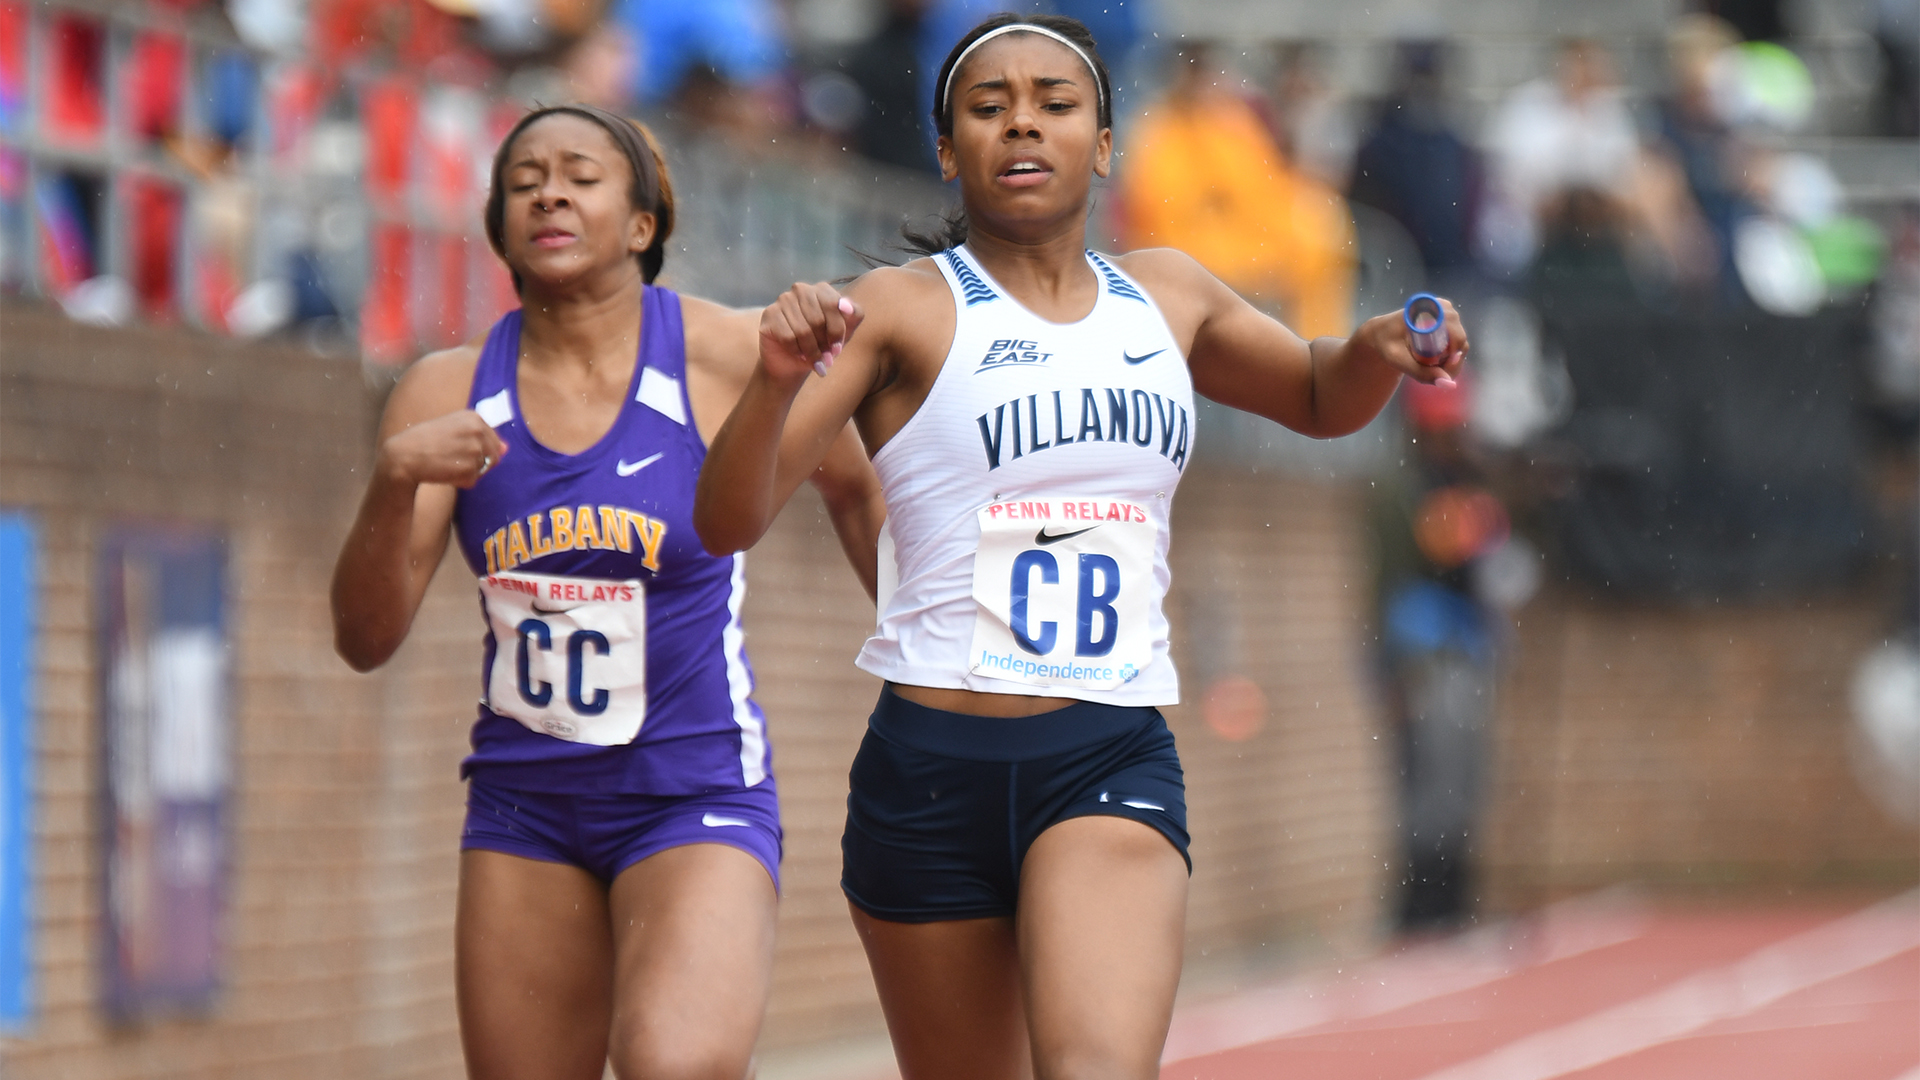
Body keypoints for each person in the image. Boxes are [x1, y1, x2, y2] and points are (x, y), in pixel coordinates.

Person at [692, 15, 1466, 1078]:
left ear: (1103, 145)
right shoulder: (896, 313)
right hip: (928, 770)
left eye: (1055, 105)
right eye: (989, 106)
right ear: (946, 147)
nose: (1023, 124)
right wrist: (776, 383)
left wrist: (1375, 350)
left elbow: (1320, 395)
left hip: (1104, 755)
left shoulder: (1170, 295)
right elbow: (727, 521)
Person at [329, 104, 883, 1080]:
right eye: (524, 182)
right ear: (498, 226)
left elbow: (855, 491)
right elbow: (365, 639)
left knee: (677, 1062)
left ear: (642, 223)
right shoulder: (444, 392)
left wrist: (936, 665)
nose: (549, 194)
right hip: (524, 808)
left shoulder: (729, 355)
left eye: (581, 177)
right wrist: (392, 479)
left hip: (693, 792)